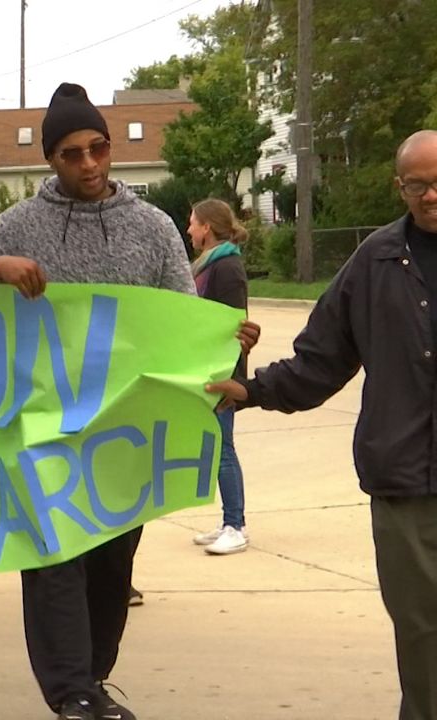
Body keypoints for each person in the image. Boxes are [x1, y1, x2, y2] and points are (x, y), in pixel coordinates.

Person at [0, 83, 258, 720]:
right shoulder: (17, 224)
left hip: (126, 430)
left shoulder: (152, 227)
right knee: (54, 560)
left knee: (111, 565)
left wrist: (220, 342)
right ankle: (70, 690)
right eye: (72, 154)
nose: (90, 163)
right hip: (42, 428)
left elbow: (181, 317)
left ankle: (92, 678)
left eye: (98, 148)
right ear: (51, 159)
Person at [208, 129, 437, 720]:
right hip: (405, 482)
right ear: (400, 187)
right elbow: (321, 359)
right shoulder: (375, 261)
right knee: (422, 636)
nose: (431, 195)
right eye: (418, 185)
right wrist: (253, 390)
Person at [187, 198, 251, 556]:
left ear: (207, 227)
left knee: (223, 448)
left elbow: (236, 328)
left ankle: (236, 526)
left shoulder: (227, 268)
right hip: (207, 369)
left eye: (193, 223)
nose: (189, 230)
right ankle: (228, 519)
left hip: (222, 375)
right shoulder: (208, 265)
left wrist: (235, 379)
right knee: (215, 447)